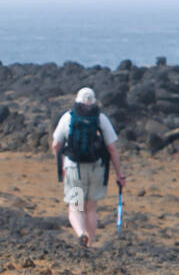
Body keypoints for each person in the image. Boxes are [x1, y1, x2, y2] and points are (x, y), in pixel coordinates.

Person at [51, 87, 126, 247]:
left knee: (76, 208)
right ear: (93, 101)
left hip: (74, 168)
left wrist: (62, 166)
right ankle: (89, 243)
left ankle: (81, 234)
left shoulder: (68, 117)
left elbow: (56, 144)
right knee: (91, 209)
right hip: (96, 168)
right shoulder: (100, 118)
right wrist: (119, 173)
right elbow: (112, 148)